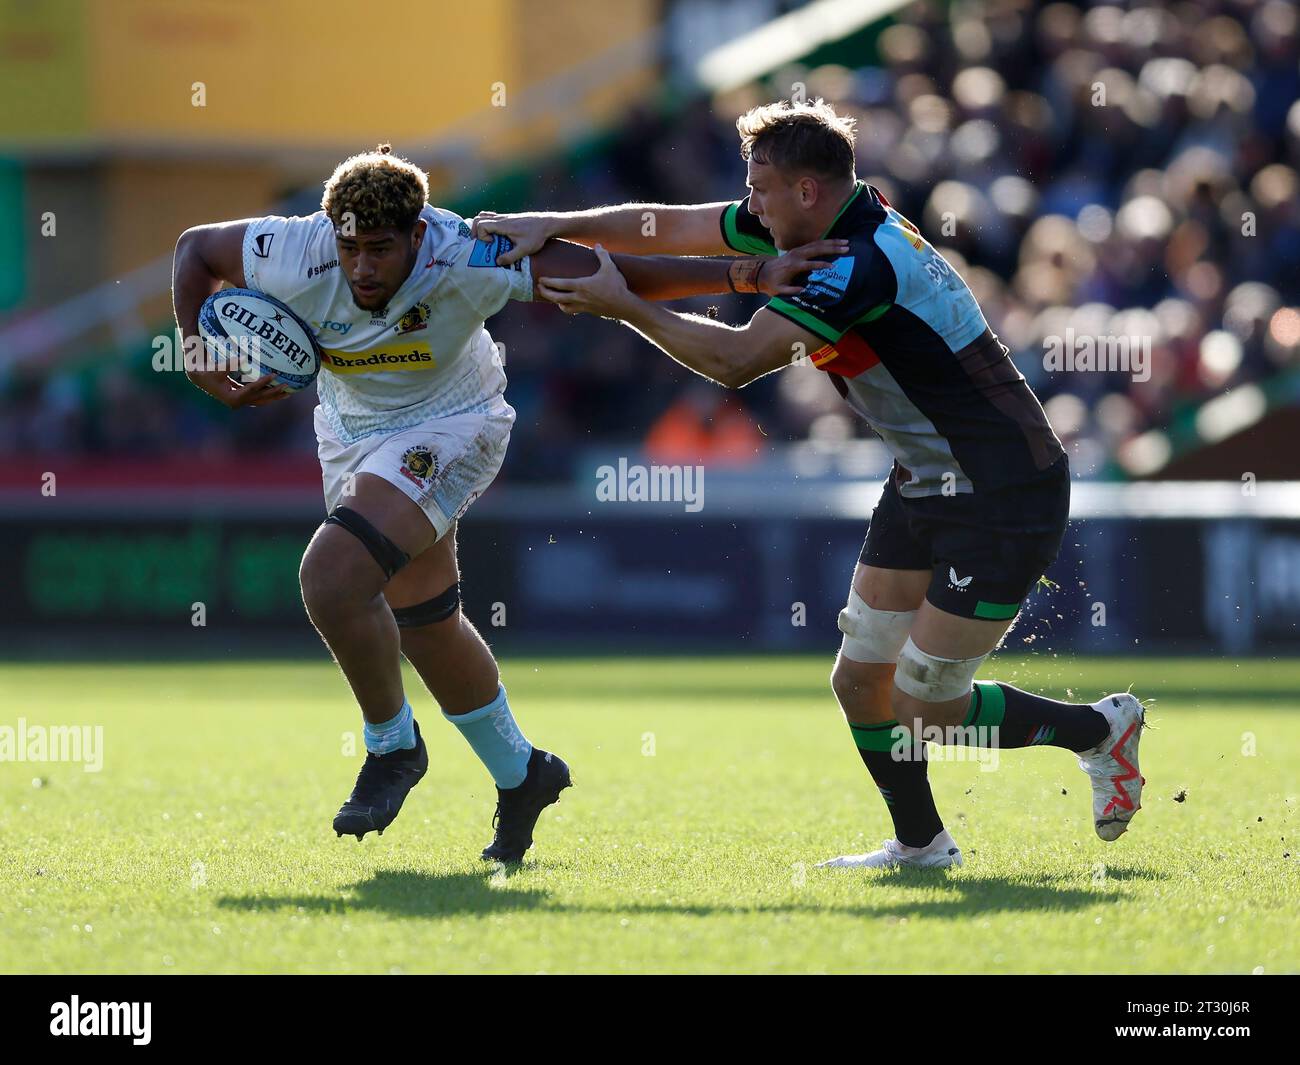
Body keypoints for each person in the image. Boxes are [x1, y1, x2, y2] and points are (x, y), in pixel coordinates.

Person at [473, 101, 1145, 869]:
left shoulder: (858, 262)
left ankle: (1098, 730)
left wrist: (621, 305)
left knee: (923, 707)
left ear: (806, 192)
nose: (747, 206)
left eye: (760, 190)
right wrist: (545, 223)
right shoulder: (812, 217)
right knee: (861, 680)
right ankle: (922, 844)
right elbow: (669, 224)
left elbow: (737, 361)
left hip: (1003, 487)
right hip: (926, 477)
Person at [171, 143, 838, 862]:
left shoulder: (464, 254)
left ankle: (392, 745)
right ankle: (523, 774)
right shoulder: (291, 248)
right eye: (351, 247)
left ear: (420, 235)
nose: (361, 266)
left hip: (454, 421)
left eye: (381, 249)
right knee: (425, 624)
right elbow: (192, 252)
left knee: (331, 577)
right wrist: (194, 351)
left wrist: (750, 273)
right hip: (347, 429)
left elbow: (607, 271)